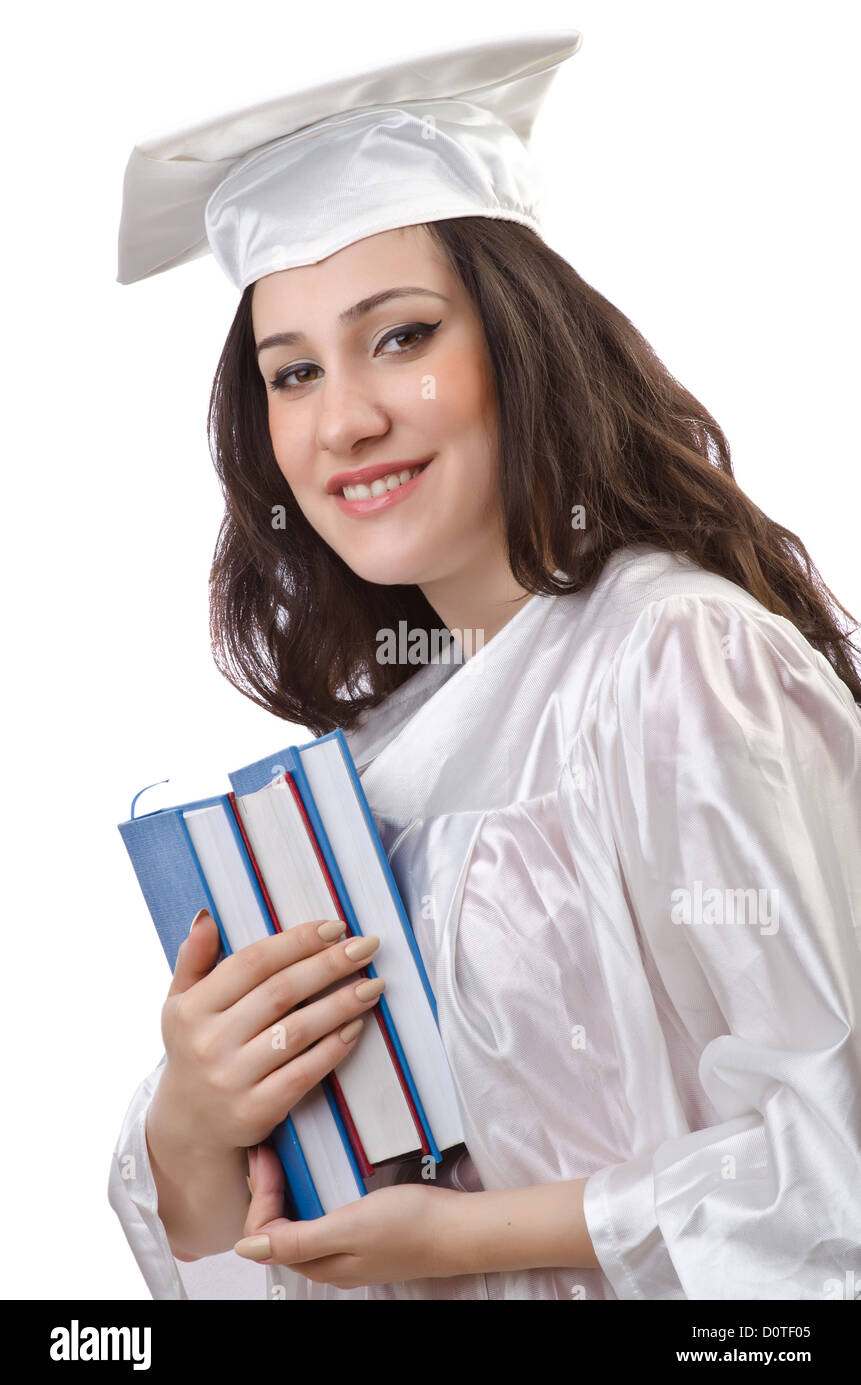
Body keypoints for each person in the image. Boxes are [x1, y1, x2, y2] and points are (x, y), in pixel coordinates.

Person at [108, 30, 861, 1300]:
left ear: (519, 341)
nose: (342, 418)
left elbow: (832, 1166)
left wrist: (469, 1237)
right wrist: (195, 1110)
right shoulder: (374, 764)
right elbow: (241, 1265)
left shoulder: (679, 662)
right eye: (291, 372)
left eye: (399, 337)